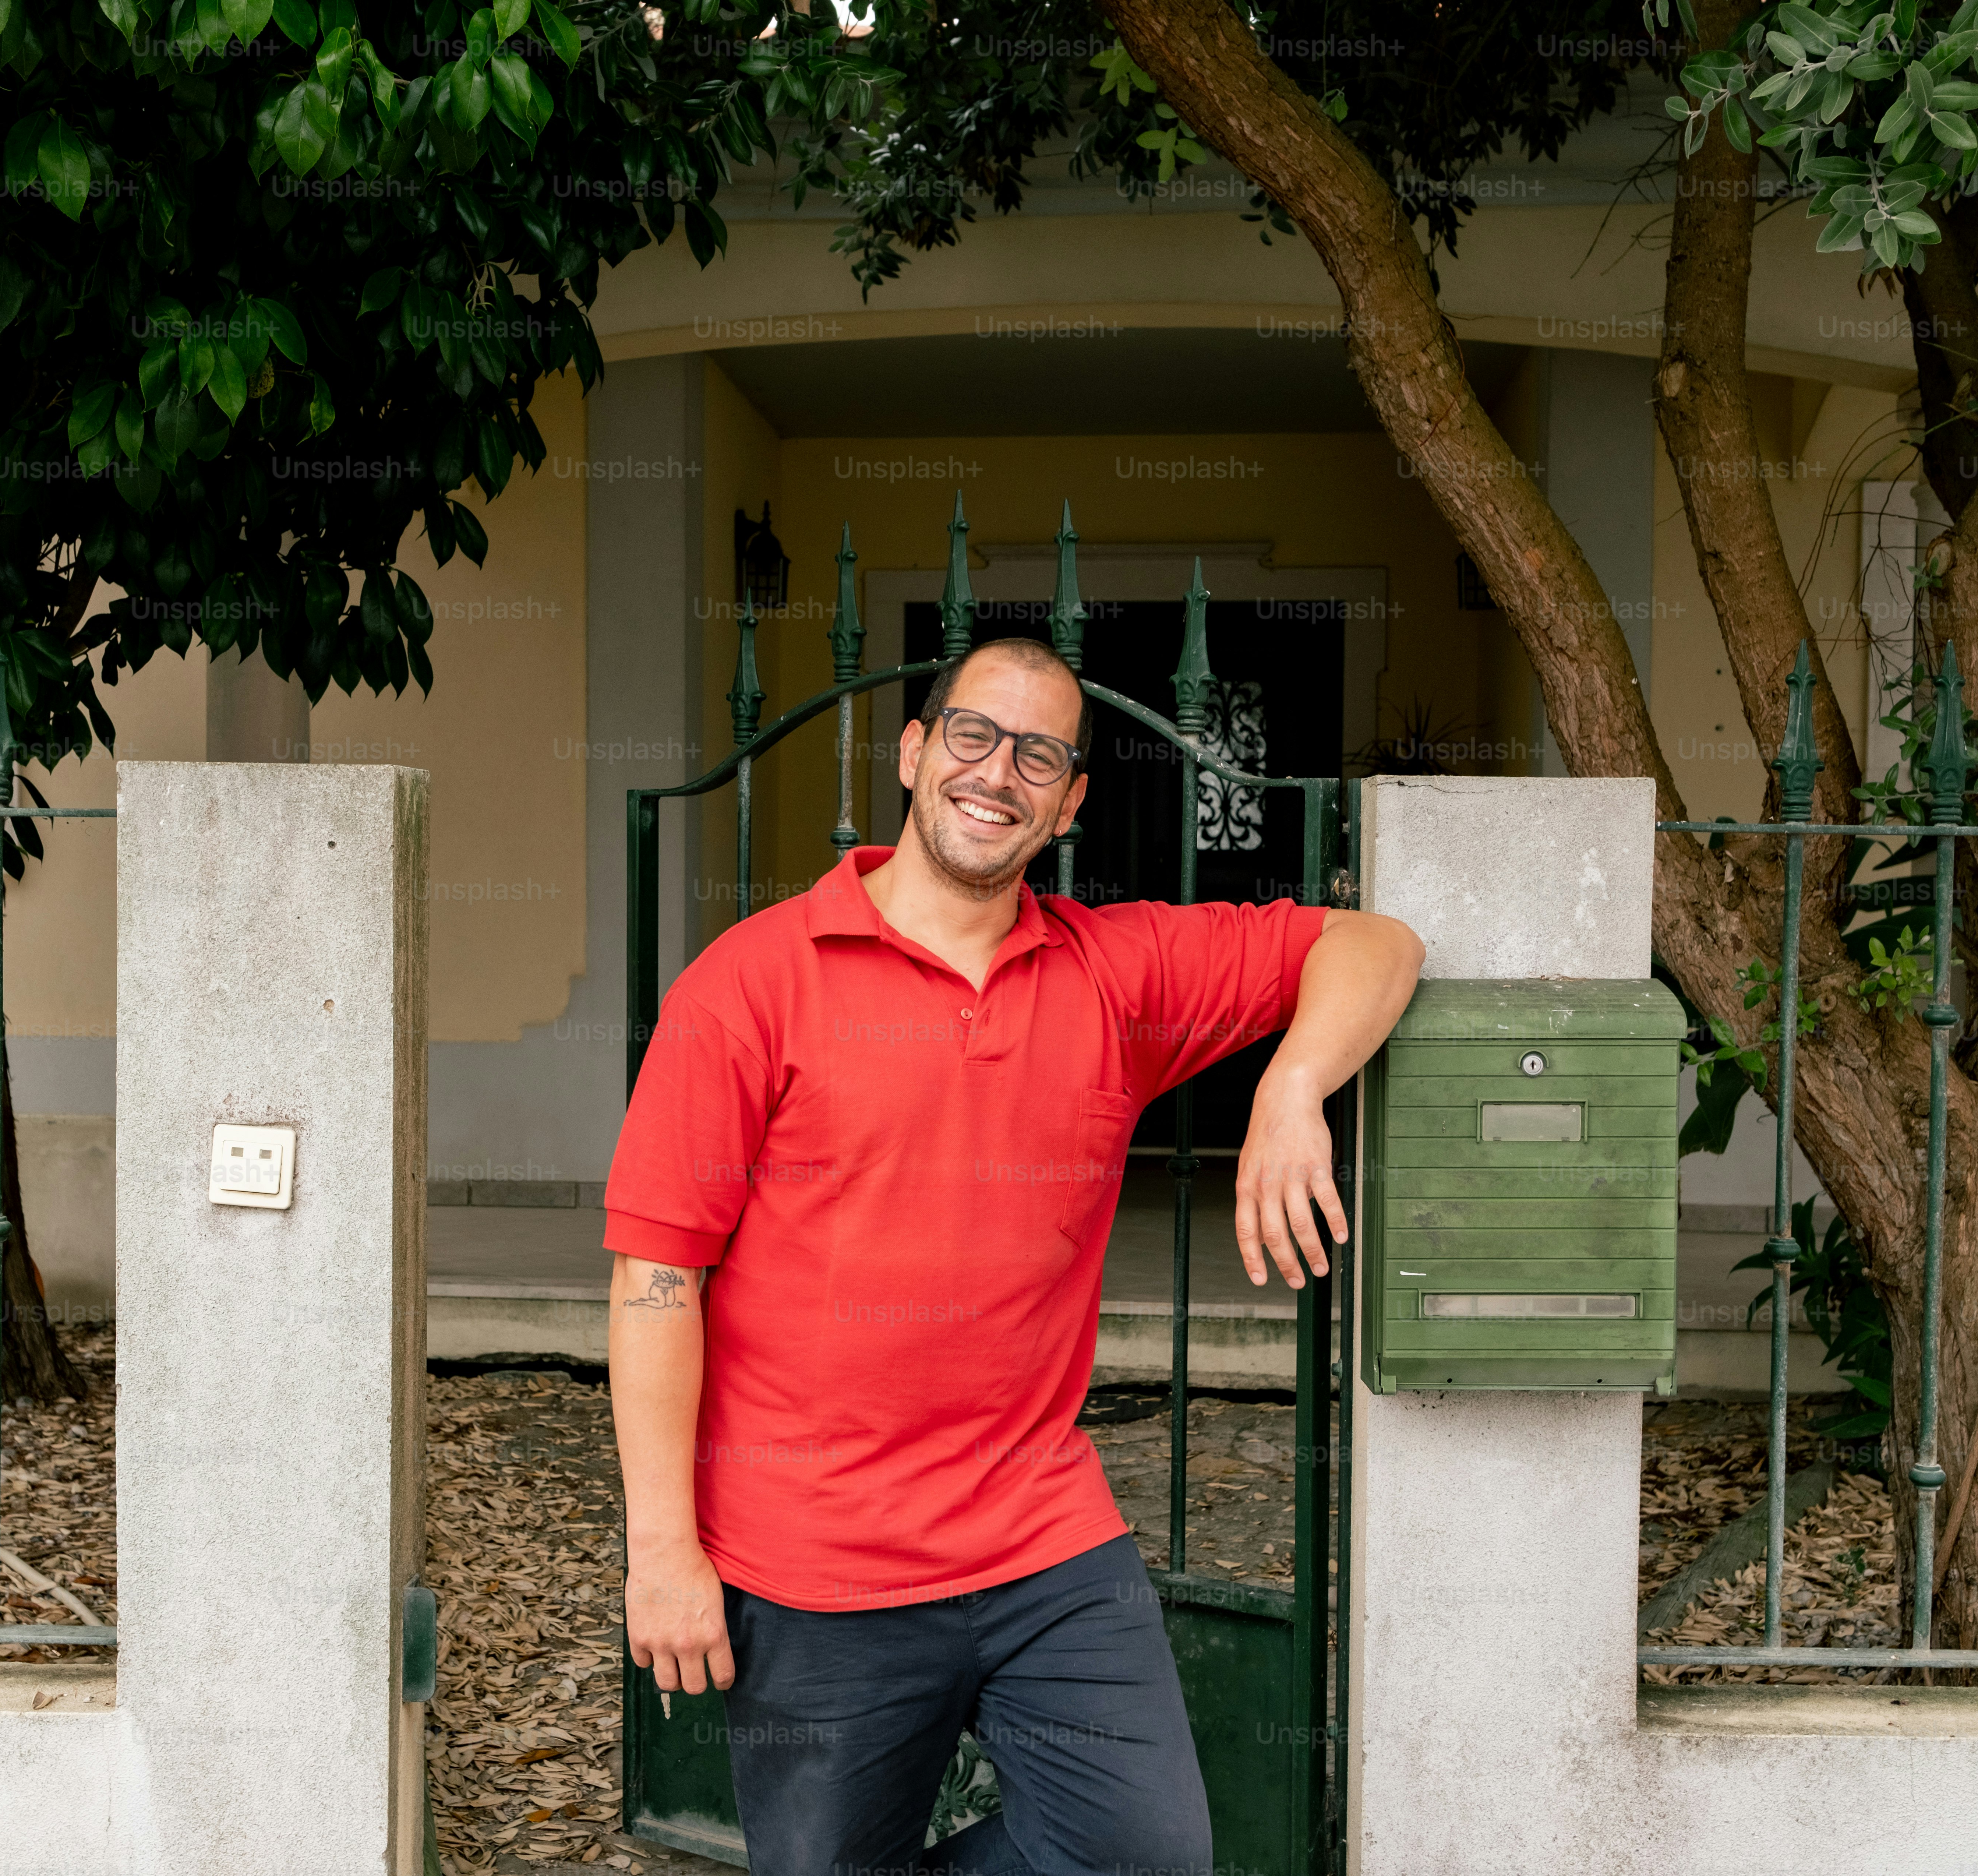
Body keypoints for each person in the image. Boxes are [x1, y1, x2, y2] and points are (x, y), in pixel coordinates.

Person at [604, 635, 1424, 1876]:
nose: (1001, 773)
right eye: (975, 736)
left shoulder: (1112, 972)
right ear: (915, 753)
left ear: (1070, 800)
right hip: (813, 1561)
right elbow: (657, 1280)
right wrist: (663, 1553)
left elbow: (1373, 945)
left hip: (1039, 1540)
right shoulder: (752, 984)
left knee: (1143, 1860)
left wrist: (1291, 1087)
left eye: (1040, 755)